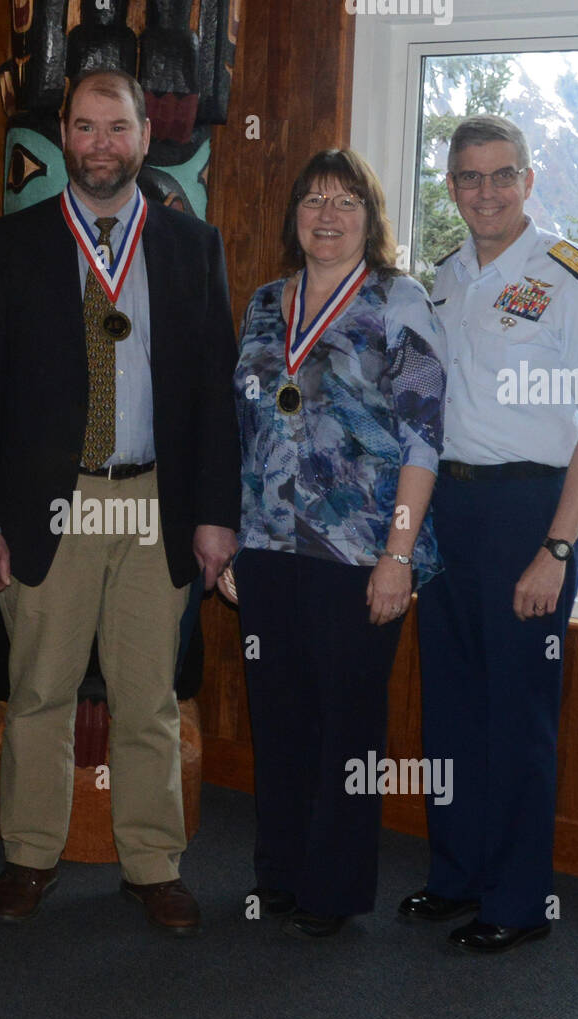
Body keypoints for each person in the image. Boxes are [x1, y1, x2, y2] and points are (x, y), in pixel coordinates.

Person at [0, 67, 239, 935]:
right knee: (38, 688)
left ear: (147, 136)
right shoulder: (14, 243)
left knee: (148, 695)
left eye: (117, 128)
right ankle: (30, 854)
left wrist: (217, 514)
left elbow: (217, 394)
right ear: (65, 136)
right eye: (84, 128)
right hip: (53, 502)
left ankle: (153, 863)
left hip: (157, 499)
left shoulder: (194, 247)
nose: (100, 145)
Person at [399, 115, 578, 952]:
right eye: (470, 177)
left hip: (529, 516)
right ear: (455, 187)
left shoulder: (574, 276)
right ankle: (457, 874)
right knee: (453, 707)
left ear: (528, 182)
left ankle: (519, 900)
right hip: (450, 515)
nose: (486, 191)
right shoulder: (444, 278)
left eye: (502, 175)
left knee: (519, 715)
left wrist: (558, 546)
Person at [217, 150, 446, 940]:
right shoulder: (261, 304)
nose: (327, 215)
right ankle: (279, 872)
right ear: (295, 217)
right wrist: (237, 541)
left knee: (347, 724)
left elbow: (424, 442)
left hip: (359, 554)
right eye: (313, 200)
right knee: (277, 718)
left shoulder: (399, 301)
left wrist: (399, 555)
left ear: (369, 219)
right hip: (270, 548)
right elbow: (240, 432)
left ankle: (334, 887)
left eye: (346, 201)